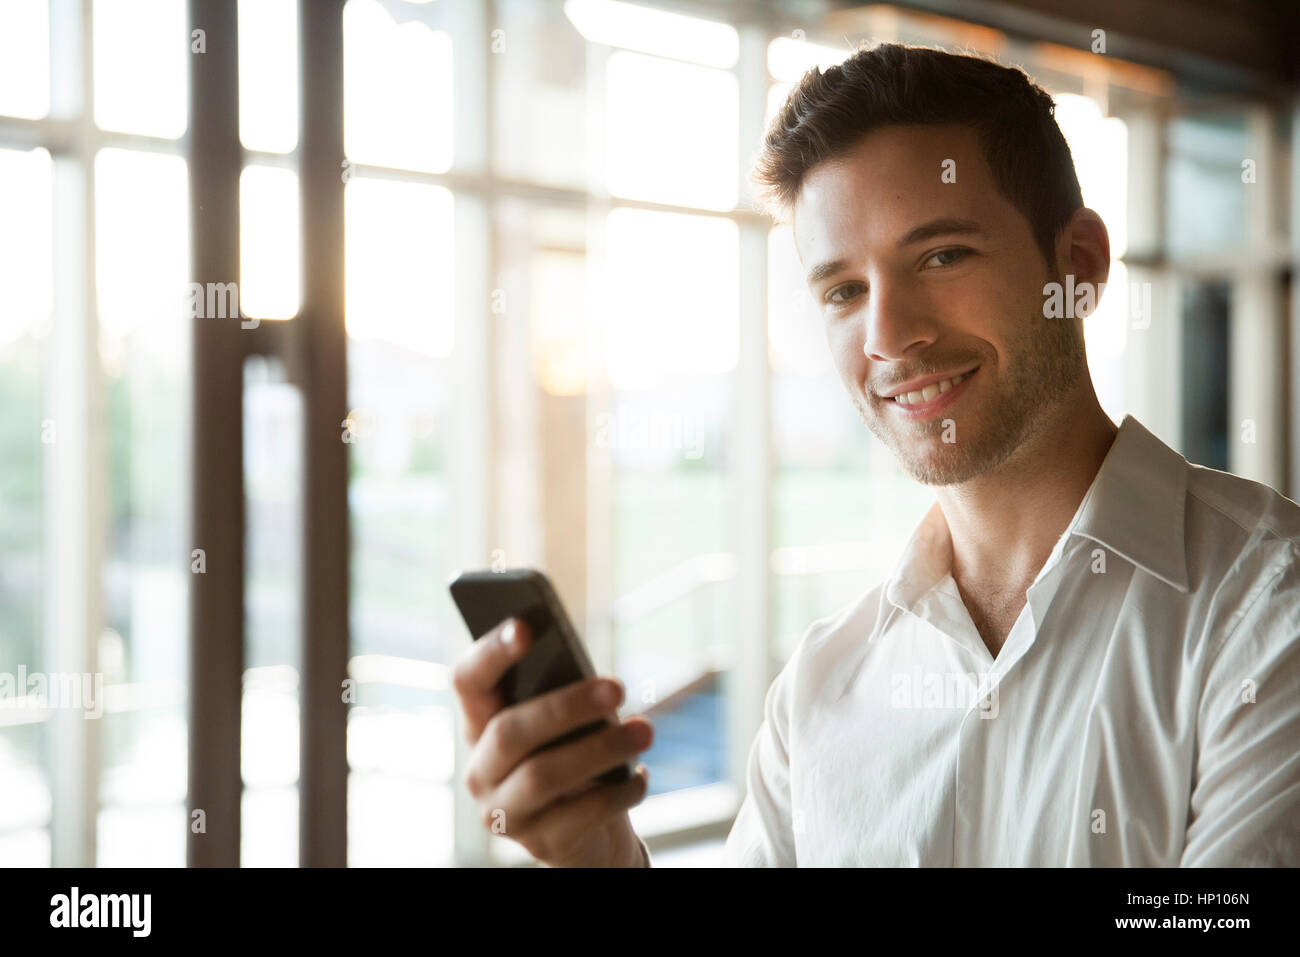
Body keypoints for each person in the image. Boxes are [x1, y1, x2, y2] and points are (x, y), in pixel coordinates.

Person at [451, 42, 1300, 867]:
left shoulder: (1267, 609)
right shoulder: (820, 687)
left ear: (1077, 264)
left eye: (941, 254)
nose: (889, 335)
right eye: (845, 290)